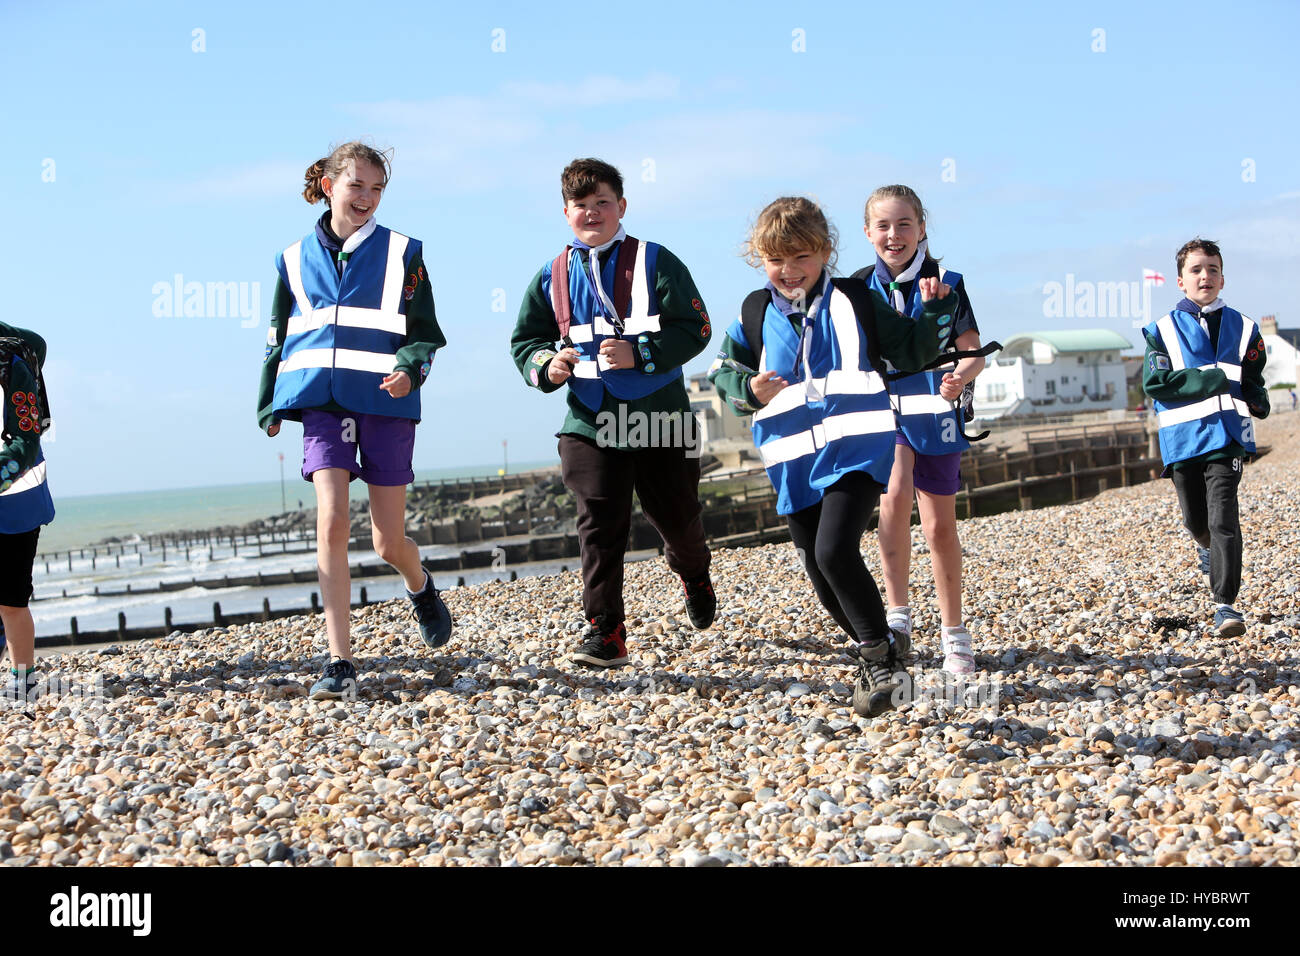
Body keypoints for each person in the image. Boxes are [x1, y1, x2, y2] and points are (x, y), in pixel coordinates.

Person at [708, 197, 956, 717]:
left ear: (824, 251)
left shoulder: (858, 299)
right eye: (776, 259)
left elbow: (913, 351)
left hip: (857, 448)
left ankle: (879, 663)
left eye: (801, 256)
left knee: (833, 553)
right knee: (824, 586)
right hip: (793, 464)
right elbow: (723, 370)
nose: (789, 270)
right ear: (760, 259)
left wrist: (934, 311)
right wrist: (747, 389)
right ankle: (887, 652)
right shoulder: (753, 311)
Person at [257, 142, 450, 700]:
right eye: (356, 185)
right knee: (332, 521)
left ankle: (420, 586)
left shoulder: (404, 253)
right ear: (328, 186)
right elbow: (278, 336)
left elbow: (425, 332)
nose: (366, 197)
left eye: (376, 188)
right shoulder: (290, 259)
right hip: (322, 402)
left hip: (386, 404)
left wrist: (411, 371)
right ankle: (339, 660)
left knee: (388, 542)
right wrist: (270, 402)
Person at [510, 158, 715, 668]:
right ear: (566, 212)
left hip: (659, 416)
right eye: (582, 205)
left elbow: (698, 328)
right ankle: (606, 632)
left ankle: (693, 573)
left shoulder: (657, 260)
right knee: (598, 526)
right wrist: (546, 365)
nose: (593, 212)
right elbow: (525, 342)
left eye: (603, 202)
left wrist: (640, 352)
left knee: (678, 521)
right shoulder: (550, 274)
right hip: (588, 420)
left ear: (621, 206)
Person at [851, 185, 985, 675]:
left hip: (936, 412)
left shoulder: (948, 281)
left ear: (922, 228)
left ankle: (954, 634)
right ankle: (898, 618)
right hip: (883, 413)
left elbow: (974, 352)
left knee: (938, 525)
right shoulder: (856, 288)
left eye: (904, 224)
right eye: (883, 226)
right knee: (892, 496)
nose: (894, 234)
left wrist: (959, 379)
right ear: (868, 233)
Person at [1142, 238, 1268, 636]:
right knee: (1197, 521)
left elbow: (1251, 375)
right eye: (1196, 270)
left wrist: (1258, 397)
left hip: (1228, 437)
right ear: (1180, 281)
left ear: (1223, 278)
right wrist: (1211, 378)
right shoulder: (1160, 331)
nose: (1205, 276)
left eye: (1212, 269)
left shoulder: (1245, 327)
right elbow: (1155, 382)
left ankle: (1226, 606)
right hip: (1182, 442)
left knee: (1224, 519)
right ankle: (1207, 550)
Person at [0, 322, 55, 703]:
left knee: (11, 600)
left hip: (18, 502)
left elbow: (25, 437)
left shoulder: (12, 366)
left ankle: (23, 681)